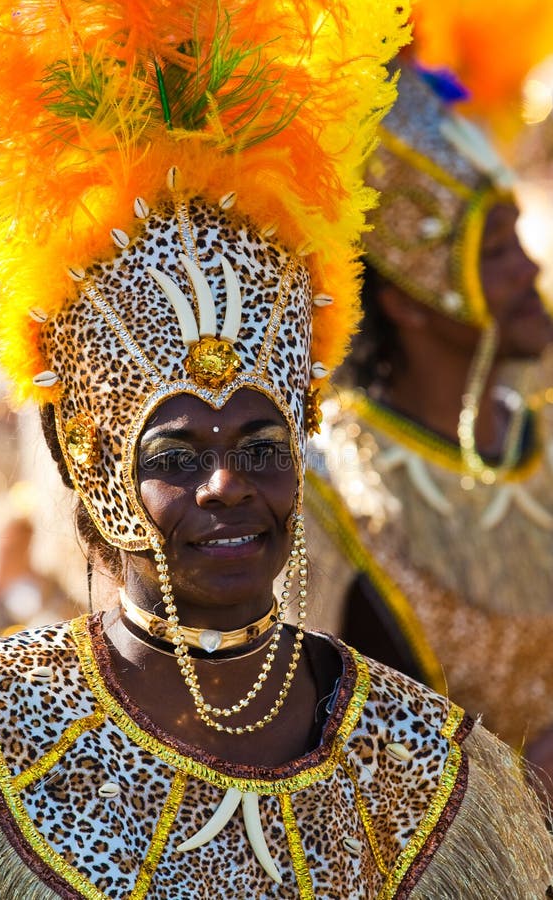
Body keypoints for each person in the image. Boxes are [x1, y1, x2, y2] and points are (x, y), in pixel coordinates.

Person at [0, 3, 551, 897]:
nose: (230, 484)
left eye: (264, 445)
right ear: (89, 458)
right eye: (178, 455)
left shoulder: (428, 769)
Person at [304, 64, 553, 780]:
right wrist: (511, 790)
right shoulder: (333, 490)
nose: (530, 269)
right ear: (409, 301)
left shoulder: (539, 423)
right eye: (498, 250)